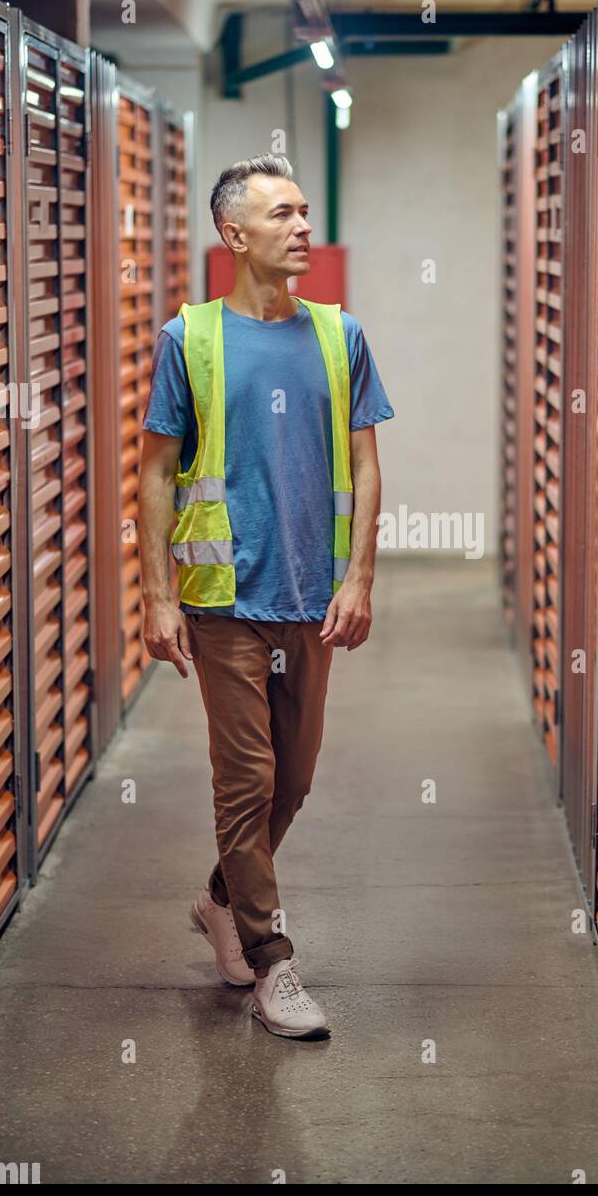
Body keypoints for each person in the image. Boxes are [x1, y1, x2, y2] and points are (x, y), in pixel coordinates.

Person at [138, 153, 394, 1040]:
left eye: (304, 211)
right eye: (282, 214)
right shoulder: (190, 338)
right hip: (221, 599)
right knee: (245, 779)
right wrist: (157, 597)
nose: (301, 227)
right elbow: (156, 473)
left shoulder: (339, 335)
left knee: (295, 778)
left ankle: (219, 898)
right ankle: (272, 964)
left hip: (308, 596)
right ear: (233, 234)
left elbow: (364, 463)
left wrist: (359, 575)